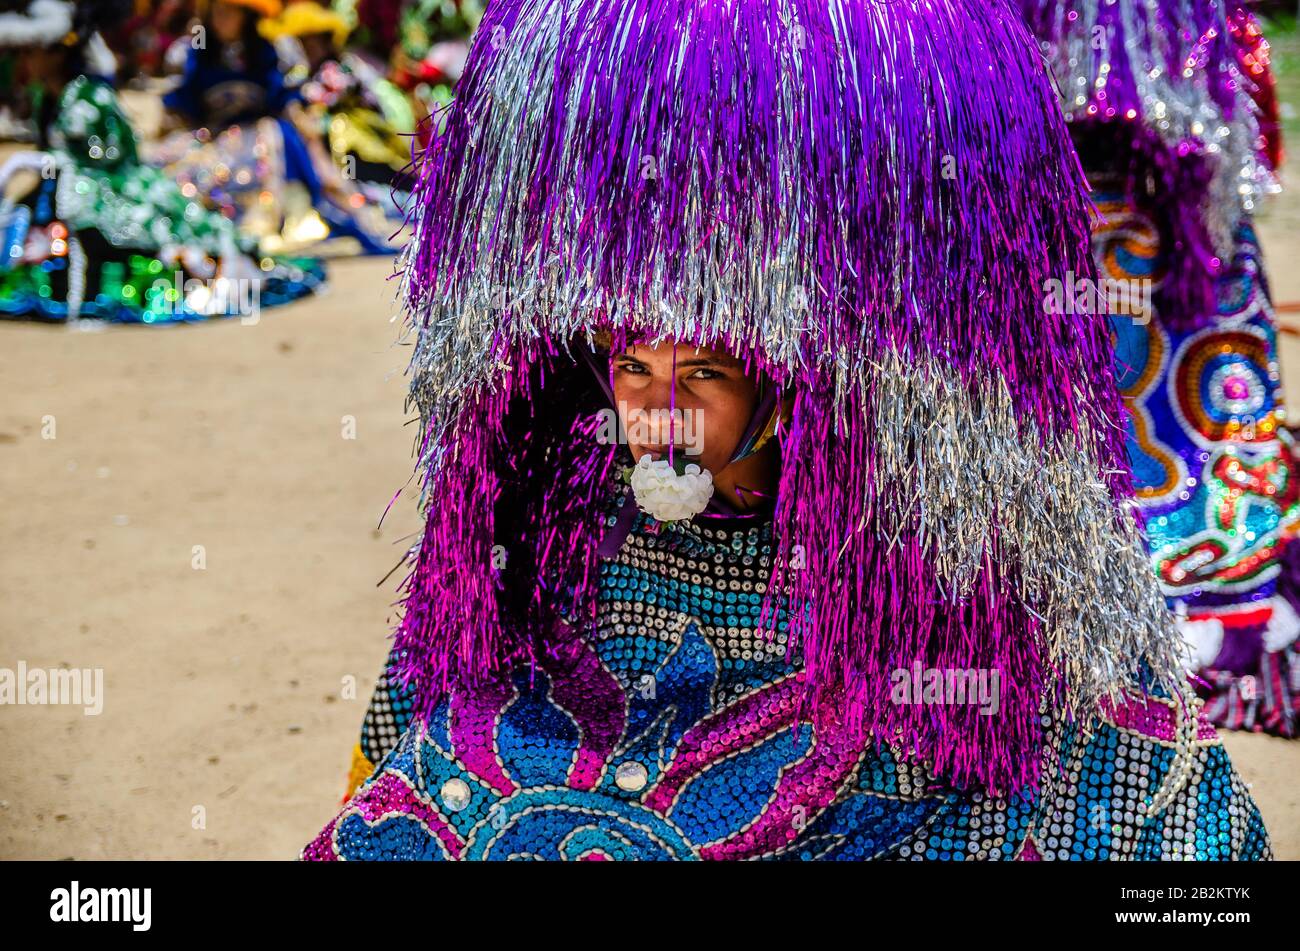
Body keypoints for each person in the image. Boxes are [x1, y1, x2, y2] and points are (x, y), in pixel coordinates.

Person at [305, 0, 1270, 860]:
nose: (654, 410)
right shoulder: (561, 540)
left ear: (786, 387)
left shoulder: (939, 560)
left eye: (704, 377)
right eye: (631, 369)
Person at [1025, 0, 1300, 737]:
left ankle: (1159, 604)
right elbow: (1255, 135)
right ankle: (1191, 598)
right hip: (1106, 225)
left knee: (1175, 407)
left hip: (1140, 229)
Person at [0, 0, 323, 323]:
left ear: (58, 53)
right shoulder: (51, 97)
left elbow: (107, 163)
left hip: (105, 197)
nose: (25, 61)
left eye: (32, 51)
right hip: (67, 200)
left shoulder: (90, 98)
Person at [151, 0, 397, 257]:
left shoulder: (269, 51)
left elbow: (285, 102)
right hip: (214, 141)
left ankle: (281, 222)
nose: (222, 20)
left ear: (245, 17)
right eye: (218, 13)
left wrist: (310, 140)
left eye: (230, 13)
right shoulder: (194, 54)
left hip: (265, 142)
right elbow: (182, 107)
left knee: (293, 152)